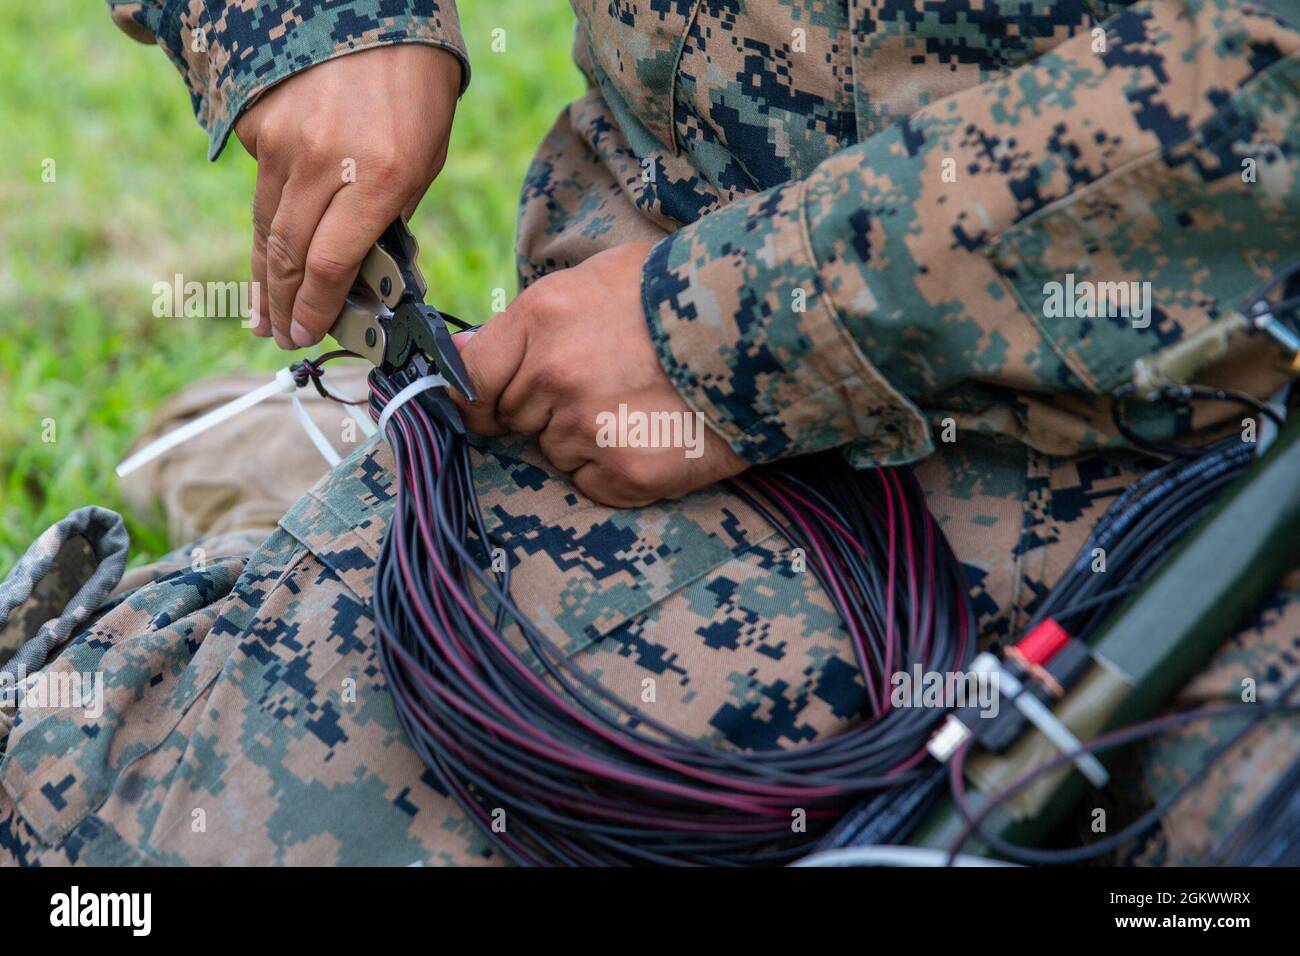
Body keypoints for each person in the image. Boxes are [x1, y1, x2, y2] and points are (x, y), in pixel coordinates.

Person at [1, 0, 1297, 865]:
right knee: (85, 834)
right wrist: (334, 24)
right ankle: (387, 488)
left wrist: (727, 325)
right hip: (642, 444)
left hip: (1207, 429)